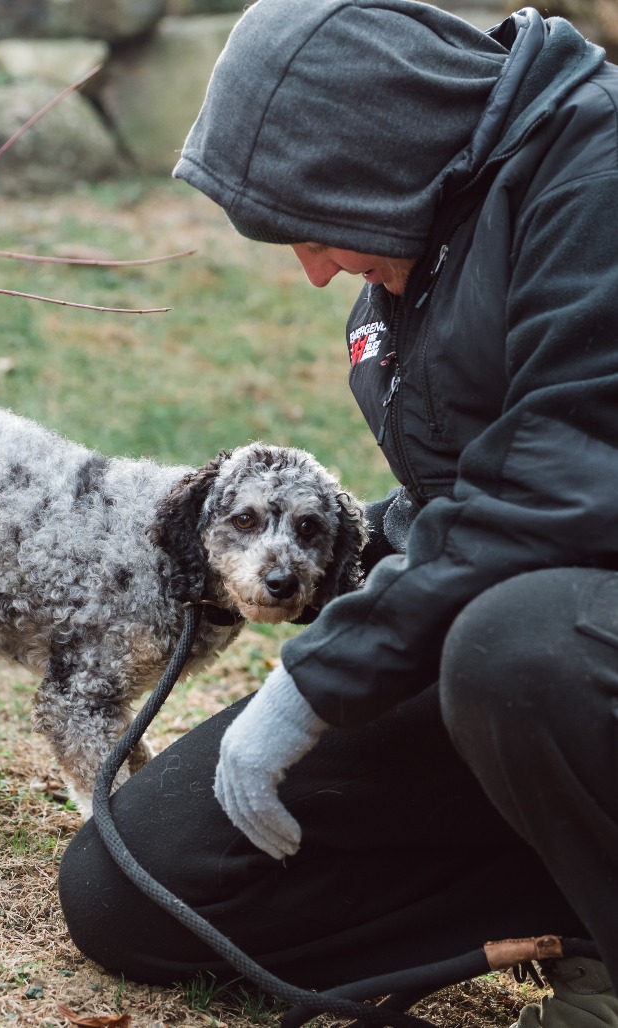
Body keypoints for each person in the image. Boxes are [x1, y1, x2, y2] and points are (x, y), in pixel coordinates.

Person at [56, 1, 618, 1024]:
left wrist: (313, 686)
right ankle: (573, 896)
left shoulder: (597, 185)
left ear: (378, 153)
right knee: (135, 882)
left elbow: (561, 486)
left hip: (566, 660)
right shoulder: (431, 224)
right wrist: (341, 554)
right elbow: (468, 496)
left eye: (314, 224)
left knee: (515, 645)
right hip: (534, 699)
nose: (312, 268)